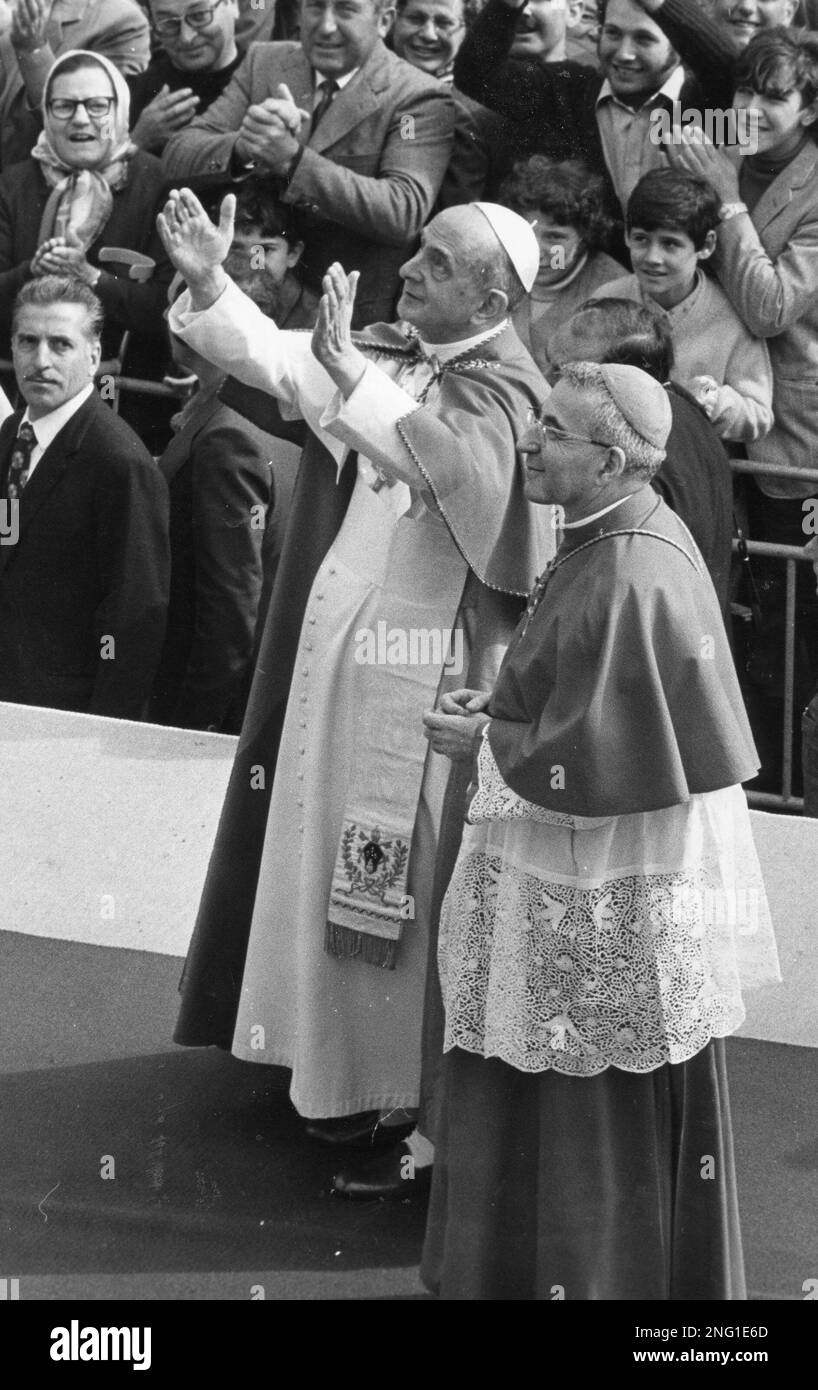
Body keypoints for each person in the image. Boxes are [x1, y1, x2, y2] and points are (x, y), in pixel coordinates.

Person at [160, 187, 553, 1152]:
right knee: (314, 834)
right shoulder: (381, 347)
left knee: (396, 861)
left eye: (440, 265)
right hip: (338, 642)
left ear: (493, 306)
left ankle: (388, 1089)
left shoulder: (512, 389)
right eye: (417, 250)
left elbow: (455, 476)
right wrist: (212, 279)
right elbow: (278, 360)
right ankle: (311, 1055)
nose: (411, 269)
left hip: (424, 662)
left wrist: (348, 374)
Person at [420, 361, 781, 1299]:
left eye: (552, 430)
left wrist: (484, 739)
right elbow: (576, 696)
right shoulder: (604, 530)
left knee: (583, 1093)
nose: (530, 441)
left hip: (599, 887)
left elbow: (596, 762)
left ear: (613, 459)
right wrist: (500, 707)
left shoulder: (631, 571)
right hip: (579, 871)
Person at [664, 28, 818, 797]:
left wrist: (725, 199)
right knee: (726, 611)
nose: (751, 109)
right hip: (712, 424)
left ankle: (787, 798)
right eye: (744, 92)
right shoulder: (724, 154)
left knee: (789, 636)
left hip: (789, 440)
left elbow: (769, 307)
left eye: (774, 97)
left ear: (810, 107)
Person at [161, 0, 456, 326]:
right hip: (249, 299)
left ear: (384, 21)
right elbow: (179, 154)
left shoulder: (416, 97)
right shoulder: (265, 62)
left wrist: (291, 158)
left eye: (345, 10)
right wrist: (246, 146)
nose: (326, 25)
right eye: (315, 7)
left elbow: (402, 210)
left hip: (347, 321)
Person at [0, 274, 169, 717]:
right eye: (27, 341)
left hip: (61, 717)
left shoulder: (118, 462)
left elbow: (135, 614)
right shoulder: (10, 437)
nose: (40, 361)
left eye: (60, 345)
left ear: (94, 356)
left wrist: (102, 733)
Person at [0, 50, 174, 448]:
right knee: (10, 509)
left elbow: (166, 309)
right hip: (17, 395)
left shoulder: (153, 182)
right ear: (46, 112)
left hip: (124, 398)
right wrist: (32, 272)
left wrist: (93, 278)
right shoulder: (14, 185)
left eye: (97, 105)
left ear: (120, 111)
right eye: (64, 105)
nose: (80, 119)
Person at [452, 0, 728, 235]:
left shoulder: (700, 105)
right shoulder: (568, 89)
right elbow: (475, 75)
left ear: (680, 47)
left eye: (644, 39)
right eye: (613, 33)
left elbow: (727, 66)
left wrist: (663, 5)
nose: (624, 53)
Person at [548, 297, 735, 613]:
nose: (547, 382)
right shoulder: (681, 409)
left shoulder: (635, 447)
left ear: (623, 380)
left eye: (567, 374)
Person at [594, 167, 773, 443]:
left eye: (670, 244)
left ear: (706, 244)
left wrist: (714, 401)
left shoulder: (731, 315)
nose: (653, 257)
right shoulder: (606, 300)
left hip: (692, 470)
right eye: (641, 238)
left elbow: (759, 415)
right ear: (627, 236)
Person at [500, 155, 623, 375]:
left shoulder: (613, 290)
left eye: (554, 237)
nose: (534, 252)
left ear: (585, 236)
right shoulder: (497, 264)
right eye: (525, 232)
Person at [0, 0, 150, 168]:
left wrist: (33, 48)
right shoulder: (15, 9)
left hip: (59, 180)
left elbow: (104, 123)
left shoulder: (120, 18)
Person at [128, 0, 245, 156]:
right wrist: (137, 142)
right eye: (168, 23)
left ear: (233, 5)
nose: (186, 38)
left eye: (199, 15)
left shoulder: (266, 76)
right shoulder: (134, 92)